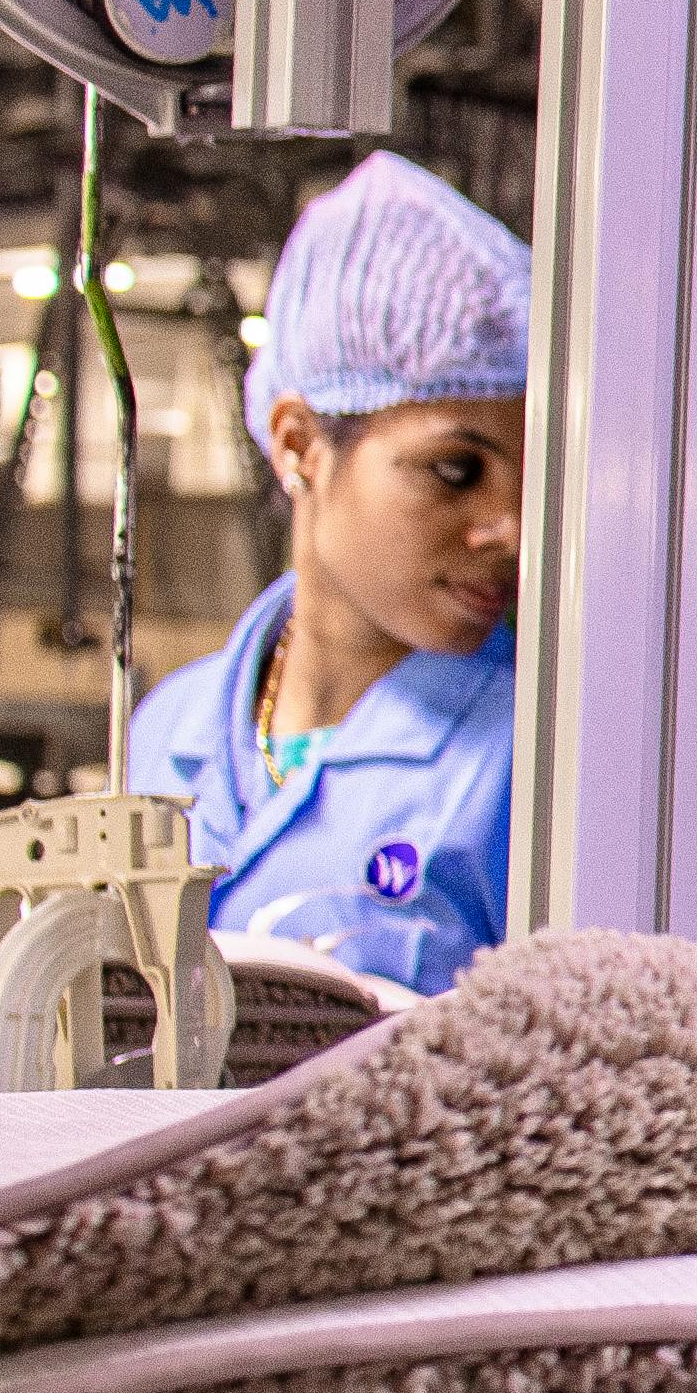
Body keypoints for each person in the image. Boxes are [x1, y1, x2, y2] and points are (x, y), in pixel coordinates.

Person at [129, 153, 528, 993]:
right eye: (455, 470)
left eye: (535, 483)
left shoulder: (542, 761)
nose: (510, 530)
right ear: (299, 444)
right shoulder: (170, 736)